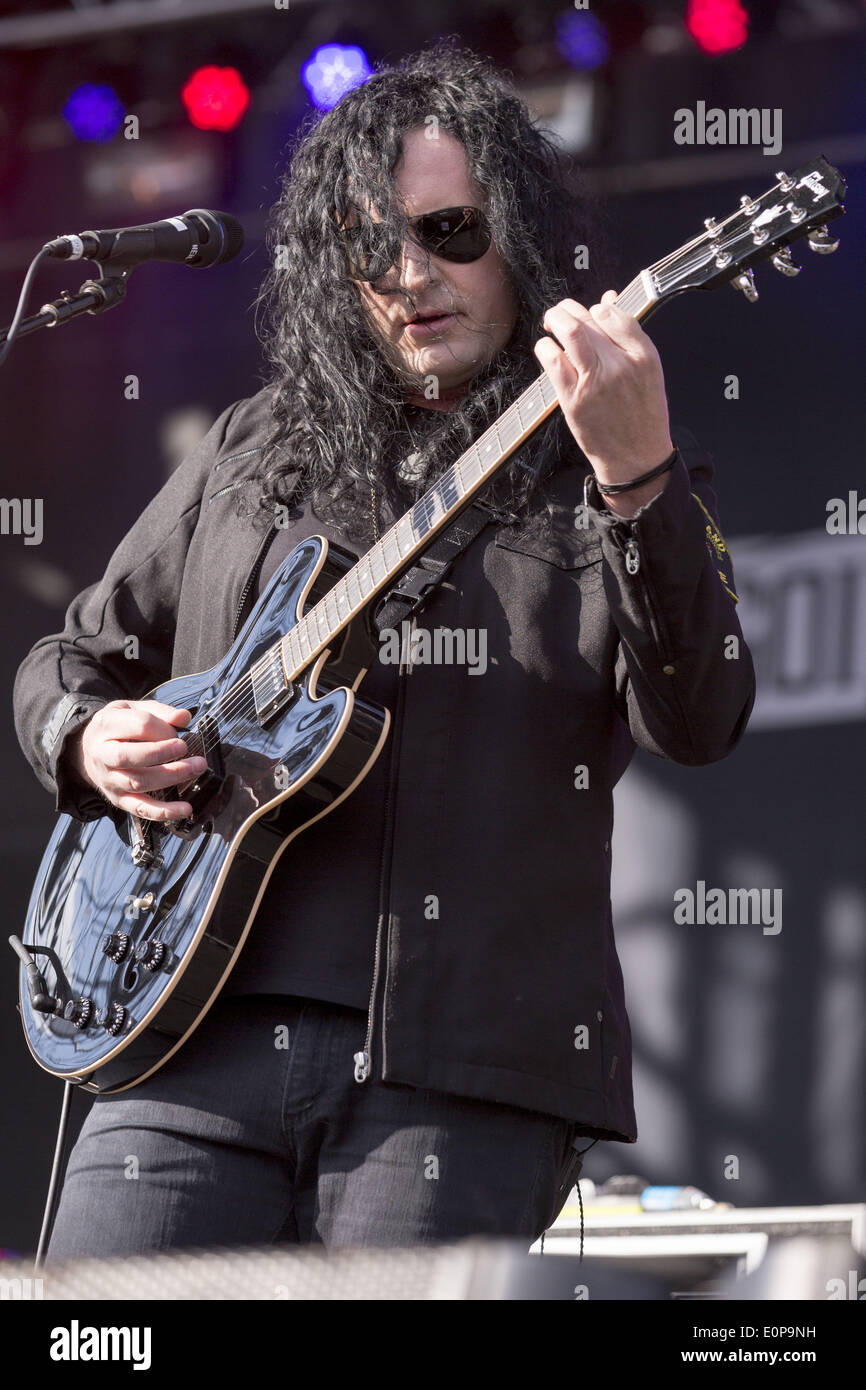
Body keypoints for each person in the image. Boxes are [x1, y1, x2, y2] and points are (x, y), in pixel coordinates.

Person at [13, 44, 755, 1256]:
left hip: (454, 1072)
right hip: (182, 1039)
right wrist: (88, 737)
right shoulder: (257, 447)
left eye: (449, 229)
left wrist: (637, 482)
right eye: (371, 248)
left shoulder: (601, 462)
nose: (412, 275)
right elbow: (74, 656)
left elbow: (702, 714)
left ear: (513, 231)